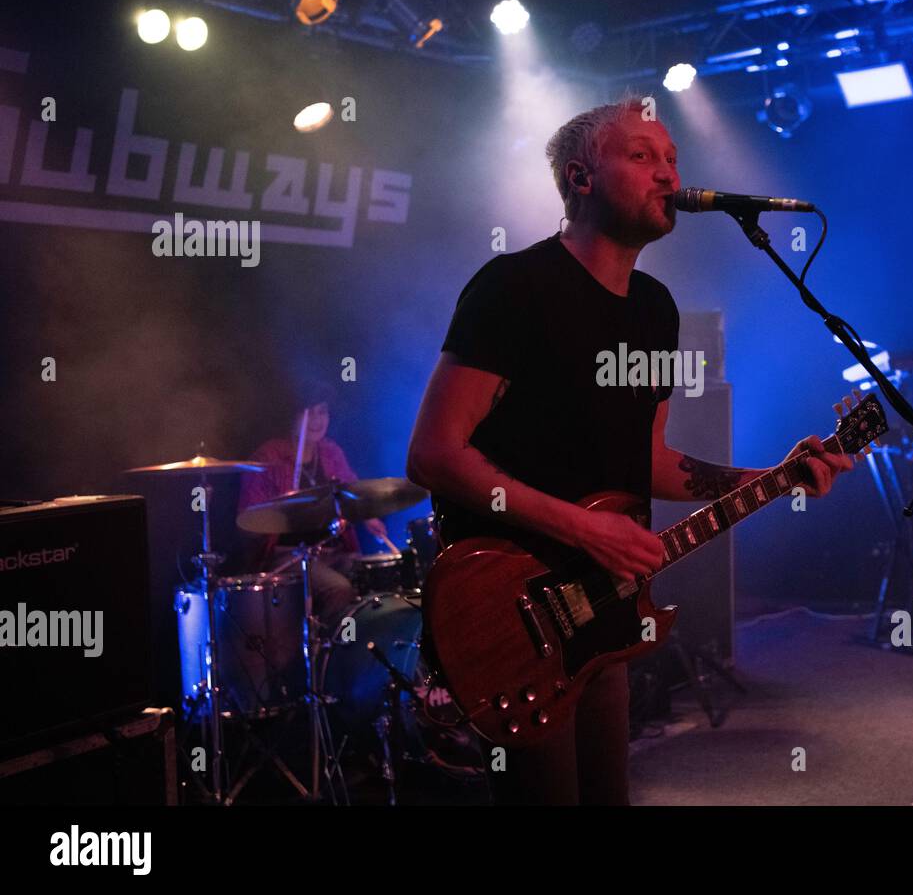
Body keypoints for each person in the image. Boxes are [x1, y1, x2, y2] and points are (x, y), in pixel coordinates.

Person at [406, 97, 854, 805]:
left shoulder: (655, 309)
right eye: (642, 156)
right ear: (582, 179)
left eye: (673, 158)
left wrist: (774, 477)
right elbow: (433, 454)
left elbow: (647, 461)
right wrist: (585, 527)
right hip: (512, 607)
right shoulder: (514, 289)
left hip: (600, 611)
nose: (668, 173)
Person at [239, 381, 388, 627]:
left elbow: (353, 495)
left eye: (323, 412)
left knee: (372, 578)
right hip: (287, 557)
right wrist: (284, 512)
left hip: (332, 551)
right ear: (292, 416)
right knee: (339, 588)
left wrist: (369, 517)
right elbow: (247, 520)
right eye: (309, 412)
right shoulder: (268, 457)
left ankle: (363, 654)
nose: (317, 421)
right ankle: (328, 654)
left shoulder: (330, 452)